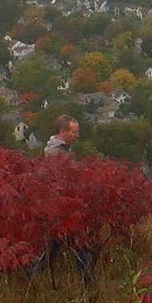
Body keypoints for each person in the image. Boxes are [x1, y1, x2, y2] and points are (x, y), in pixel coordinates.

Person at [28, 113, 94, 284]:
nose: (77, 136)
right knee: (79, 246)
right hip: (63, 208)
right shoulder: (55, 154)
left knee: (52, 247)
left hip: (60, 208)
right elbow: (62, 182)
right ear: (62, 131)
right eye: (74, 132)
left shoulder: (61, 151)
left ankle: (32, 276)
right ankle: (87, 282)